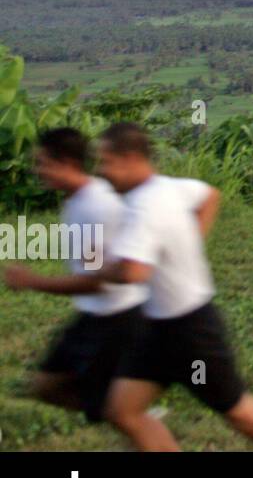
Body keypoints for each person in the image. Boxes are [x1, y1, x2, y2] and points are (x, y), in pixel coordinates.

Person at [93, 122, 253, 451]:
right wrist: (190, 244)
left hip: (191, 332)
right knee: (122, 411)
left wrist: (99, 268)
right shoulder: (168, 187)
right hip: (157, 329)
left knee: (243, 416)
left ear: (131, 157)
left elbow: (132, 272)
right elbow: (209, 196)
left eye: (106, 162)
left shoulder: (144, 207)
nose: (102, 172)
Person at [2, 128, 147, 425]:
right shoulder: (78, 199)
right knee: (46, 386)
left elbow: (93, 282)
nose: (37, 170)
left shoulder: (94, 207)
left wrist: (32, 281)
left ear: (66, 162)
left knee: (107, 405)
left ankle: (134, 419)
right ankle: (126, 415)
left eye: (42, 163)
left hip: (116, 319)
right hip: (93, 315)